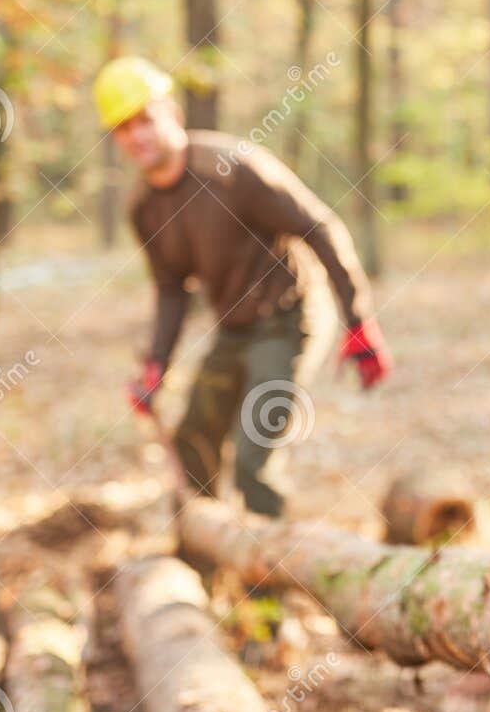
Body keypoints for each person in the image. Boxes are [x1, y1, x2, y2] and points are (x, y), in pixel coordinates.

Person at [93, 56, 391, 518]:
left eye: (145, 120)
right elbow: (172, 290)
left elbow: (319, 227)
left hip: (291, 317)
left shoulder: (232, 171)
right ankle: (205, 566)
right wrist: (156, 365)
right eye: (124, 127)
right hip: (233, 327)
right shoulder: (144, 209)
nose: (138, 136)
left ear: (172, 114)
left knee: (254, 462)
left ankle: (266, 581)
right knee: (193, 443)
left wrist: (359, 322)